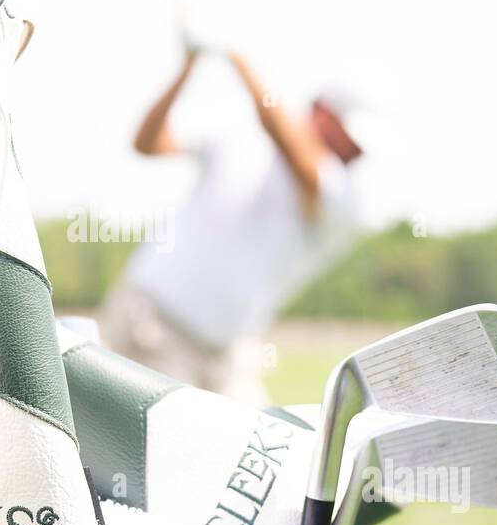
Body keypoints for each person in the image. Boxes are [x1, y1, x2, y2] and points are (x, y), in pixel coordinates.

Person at [101, 47, 366, 404]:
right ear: (322, 112)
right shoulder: (241, 138)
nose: (358, 152)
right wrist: (187, 68)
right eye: (352, 137)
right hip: (152, 325)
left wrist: (237, 56)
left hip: (229, 353)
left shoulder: (340, 193)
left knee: (264, 451)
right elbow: (147, 143)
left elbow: (288, 142)